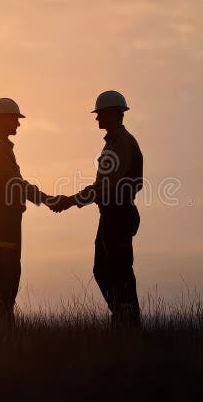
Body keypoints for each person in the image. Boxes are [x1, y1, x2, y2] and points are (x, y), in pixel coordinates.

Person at [50, 90, 144, 328]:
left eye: (100, 114)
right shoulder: (114, 143)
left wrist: (70, 201)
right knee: (104, 269)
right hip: (111, 214)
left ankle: (127, 320)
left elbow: (104, 186)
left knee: (118, 270)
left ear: (113, 114)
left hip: (118, 214)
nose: (96, 119)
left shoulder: (122, 143)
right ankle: (122, 317)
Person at [0, 98, 53, 330]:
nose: (18, 124)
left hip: (3, 218)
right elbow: (14, 184)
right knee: (3, 276)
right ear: (0, 120)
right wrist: (47, 199)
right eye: (15, 119)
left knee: (4, 273)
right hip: (1, 218)